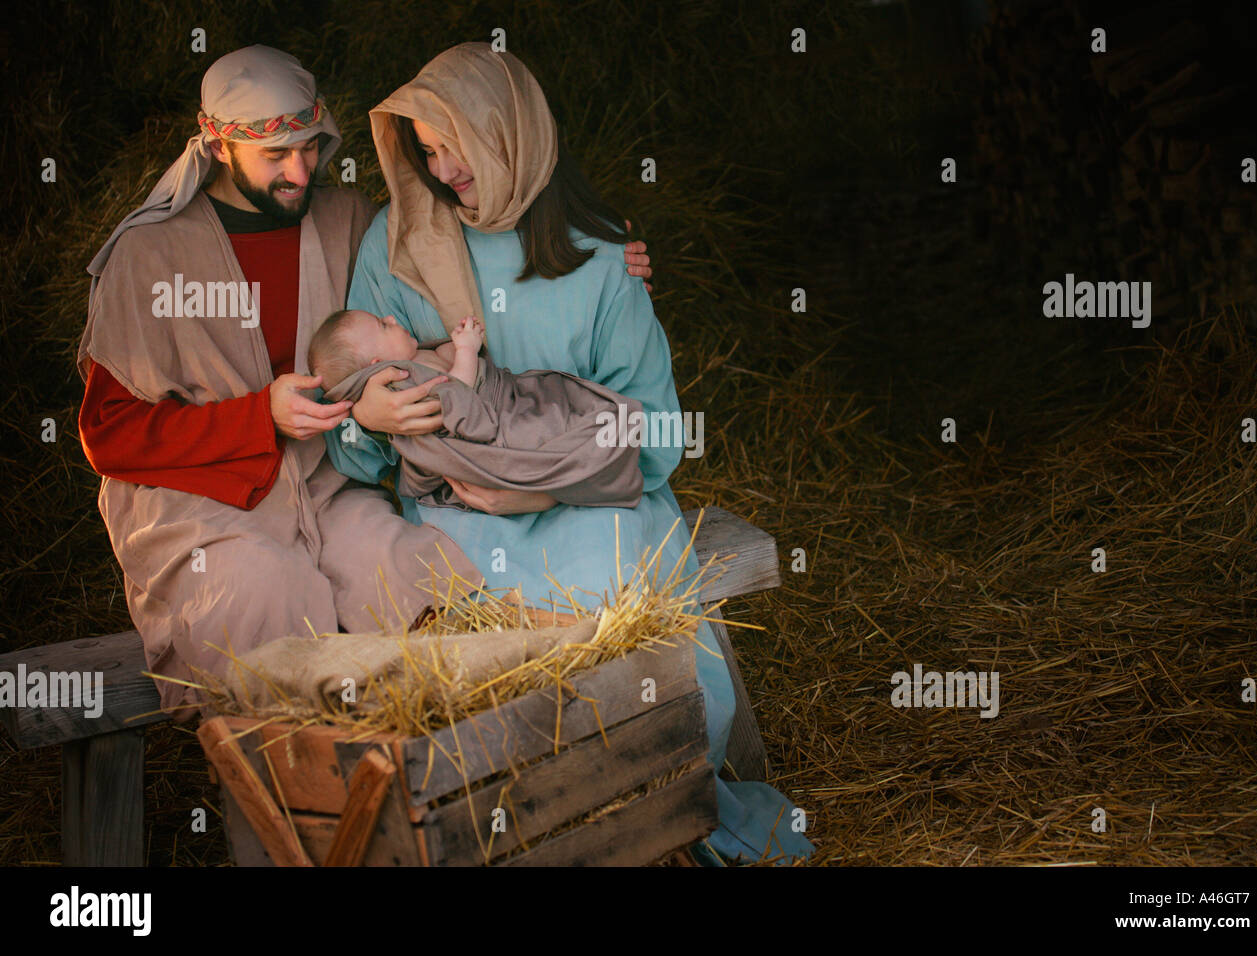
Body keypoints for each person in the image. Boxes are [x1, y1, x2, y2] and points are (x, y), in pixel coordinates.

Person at [325, 42, 812, 864]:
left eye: (455, 143)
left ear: (511, 131)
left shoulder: (601, 257)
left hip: (588, 502)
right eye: (426, 150)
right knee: (472, 665)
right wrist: (365, 418)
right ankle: (515, 829)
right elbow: (350, 451)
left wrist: (542, 487)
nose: (442, 170)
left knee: (625, 644)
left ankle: (637, 811)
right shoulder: (394, 246)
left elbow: (657, 436)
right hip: (456, 513)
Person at [76, 45, 654, 717]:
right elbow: (107, 436)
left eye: (312, 146)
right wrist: (257, 416)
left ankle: (468, 775)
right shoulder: (150, 255)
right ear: (218, 145)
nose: (301, 171)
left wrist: (604, 254)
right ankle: (293, 798)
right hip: (208, 506)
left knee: (412, 572)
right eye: (276, 156)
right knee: (260, 593)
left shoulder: (344, 218)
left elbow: (455, 240)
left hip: (328, 485)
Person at [309, 309, 644, 509]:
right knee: (567, 433)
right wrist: (466, 350)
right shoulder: (400, 381)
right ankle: (596, 468)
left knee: (576, 416)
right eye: (383, 326)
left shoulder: (408, 364)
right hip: (498, 430)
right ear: (377, 363)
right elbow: (460, 402)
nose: (393, 318)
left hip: (507, 401)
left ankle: (599, 455)